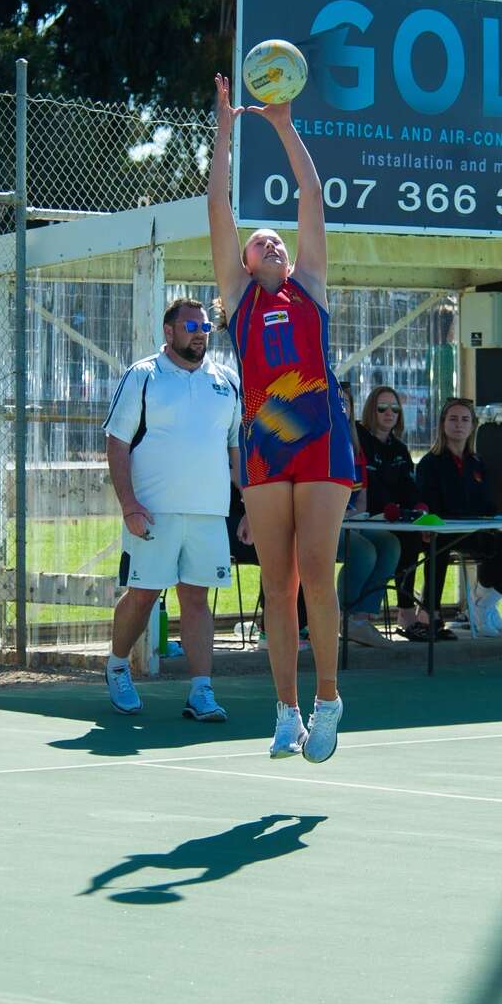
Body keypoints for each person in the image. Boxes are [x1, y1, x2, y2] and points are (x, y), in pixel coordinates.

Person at [209, 72, 352, 762]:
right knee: (276, 583)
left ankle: (328, 698)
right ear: (241, 262)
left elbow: (311, 195)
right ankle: (286, 711)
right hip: (265, 445)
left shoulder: (311, 287)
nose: (269, 241)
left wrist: (282, 124)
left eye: (276, 238)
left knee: (317, 570)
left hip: (320, 441)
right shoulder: (238, 300)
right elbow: (217, 208)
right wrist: (224, 132)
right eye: (257, 240)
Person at [101, 297, 242, 722]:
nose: (199, 333)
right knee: (143, 596)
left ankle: (201, 692)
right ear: (169, 331)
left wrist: (250, 507)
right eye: (190, 326)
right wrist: (129, 505)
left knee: (197, 600)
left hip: (209, 515)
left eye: (204, 327)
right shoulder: (143, 375)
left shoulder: (227, 380)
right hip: (152, 514)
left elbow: (236, 449)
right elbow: (117, 442)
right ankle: (118, 665)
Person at [411, 398, 502, 641]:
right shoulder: (430, 463)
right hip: (443, 531)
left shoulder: (477, 463)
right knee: (438, 547)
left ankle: (483, 602)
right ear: (442, 424)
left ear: (473, 426)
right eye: (453, 419)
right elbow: (428, 505)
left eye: (465, 419)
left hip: (477, 530)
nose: (459, 425)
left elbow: (487, 504)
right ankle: (430, 615)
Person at [352, 385, 420, 639]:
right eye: (382, 408)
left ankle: (405, 610)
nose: (389, 413)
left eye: (394, 408)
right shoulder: (358, 440)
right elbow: (366, 488)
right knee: (378, 547)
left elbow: (409, 488)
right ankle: (353, 616)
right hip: (361, 519)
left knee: (414, 540)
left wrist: (418, 509)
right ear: (371, 410)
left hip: (391, 521)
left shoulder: (399, 449)